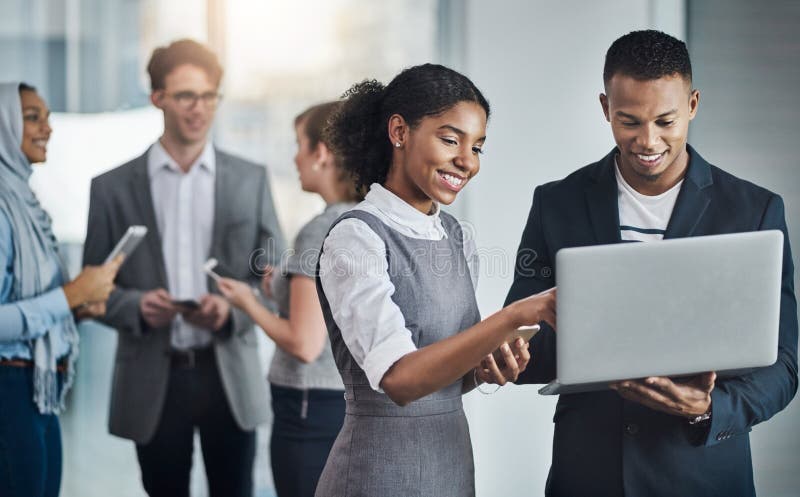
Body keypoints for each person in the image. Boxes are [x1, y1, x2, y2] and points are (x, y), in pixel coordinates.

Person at [505, 30, 798, 497]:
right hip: (589, 474)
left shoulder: (755, 210)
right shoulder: (555, 203)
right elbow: (526, 342)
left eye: (666, 121)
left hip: (703, 476)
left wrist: (705, 407)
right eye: (629, 121)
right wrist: (507, 352)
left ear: (694, 104)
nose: (648, 140)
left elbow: (782, 366)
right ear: (605, 109)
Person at [312, 64, 556, 497]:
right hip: (378, 470)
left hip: (451, 462)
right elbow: (401, 381)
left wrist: (488, 365)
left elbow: (451, 375)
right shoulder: (356, 236)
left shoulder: (458, 237)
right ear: (399, 131)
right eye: (450, 139)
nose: (467, 161)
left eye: (478, 147)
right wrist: (512, 316)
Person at [82, 40, 285, 497]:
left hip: (228, 374)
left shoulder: (250, 180)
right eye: (186, 96)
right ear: (158, 98)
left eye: (209, 96)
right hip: (154, 378)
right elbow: (89, 291)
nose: (200, 108)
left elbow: (278, 278)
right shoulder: (111, 188)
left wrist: (233, 309)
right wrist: (135, 306)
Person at [217, 101, 361, 497]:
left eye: (299, 144)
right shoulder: (370, 219)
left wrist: (248, 302)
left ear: (322, 153)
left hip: (308, 409)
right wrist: (282, 284)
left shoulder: (319, 231)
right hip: (348, 403)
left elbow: (304, 342)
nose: (294, 158)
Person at [0, 82, 120, 497]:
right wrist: (69, 296)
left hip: (38, 388)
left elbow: (24, 299)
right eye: (32, 117)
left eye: (48, 117)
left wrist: (78, 306)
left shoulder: (23, 199)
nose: (47, 128)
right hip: (9, 389)